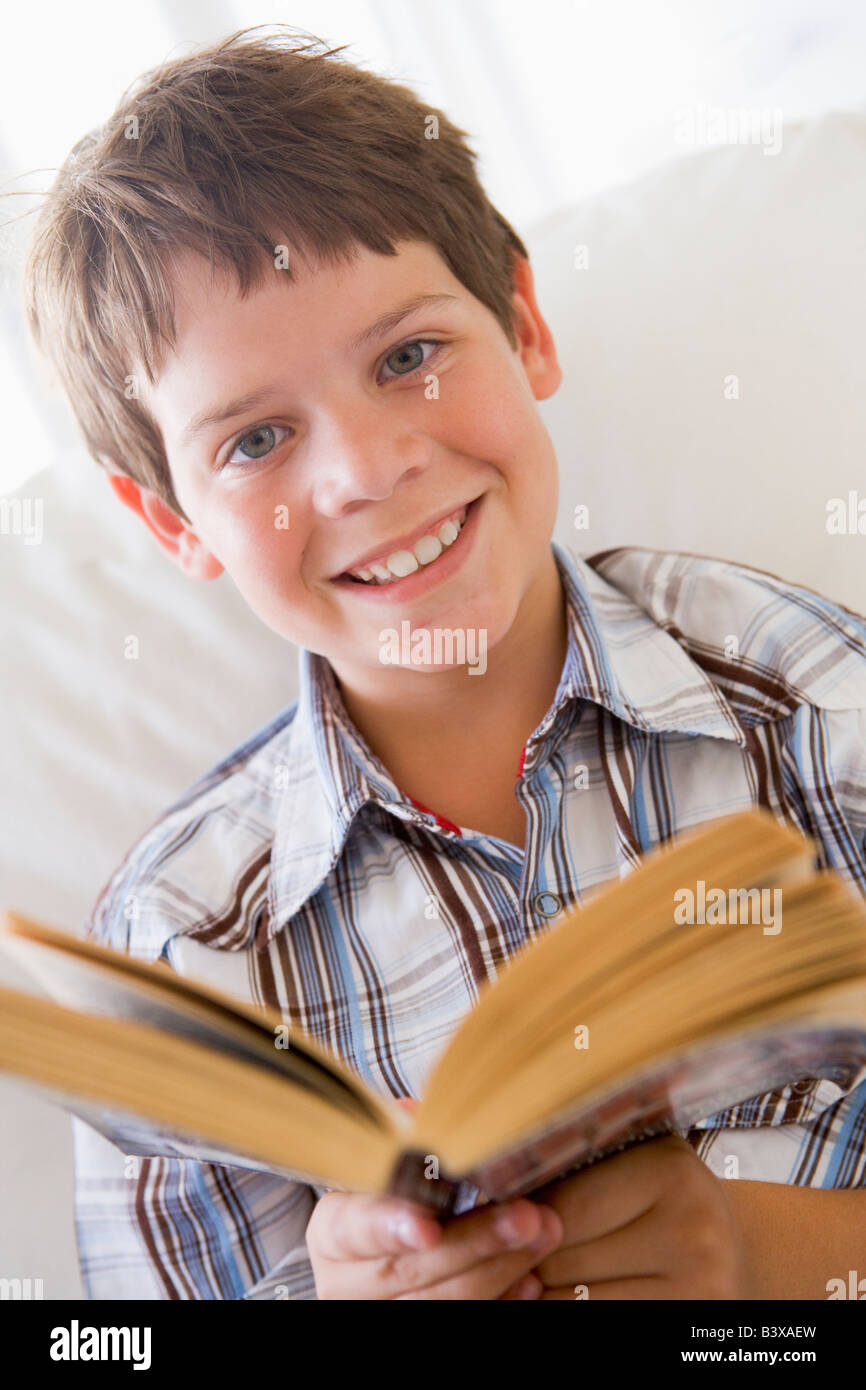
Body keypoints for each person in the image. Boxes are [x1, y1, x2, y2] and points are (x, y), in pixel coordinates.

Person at [22, 26, 866, 1300]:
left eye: (408, 357)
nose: (364, 471)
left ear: (522, 325)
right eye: (255, 440)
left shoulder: (804, 702)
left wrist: (762, 1258)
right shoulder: (185, 954)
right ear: (172, 522)